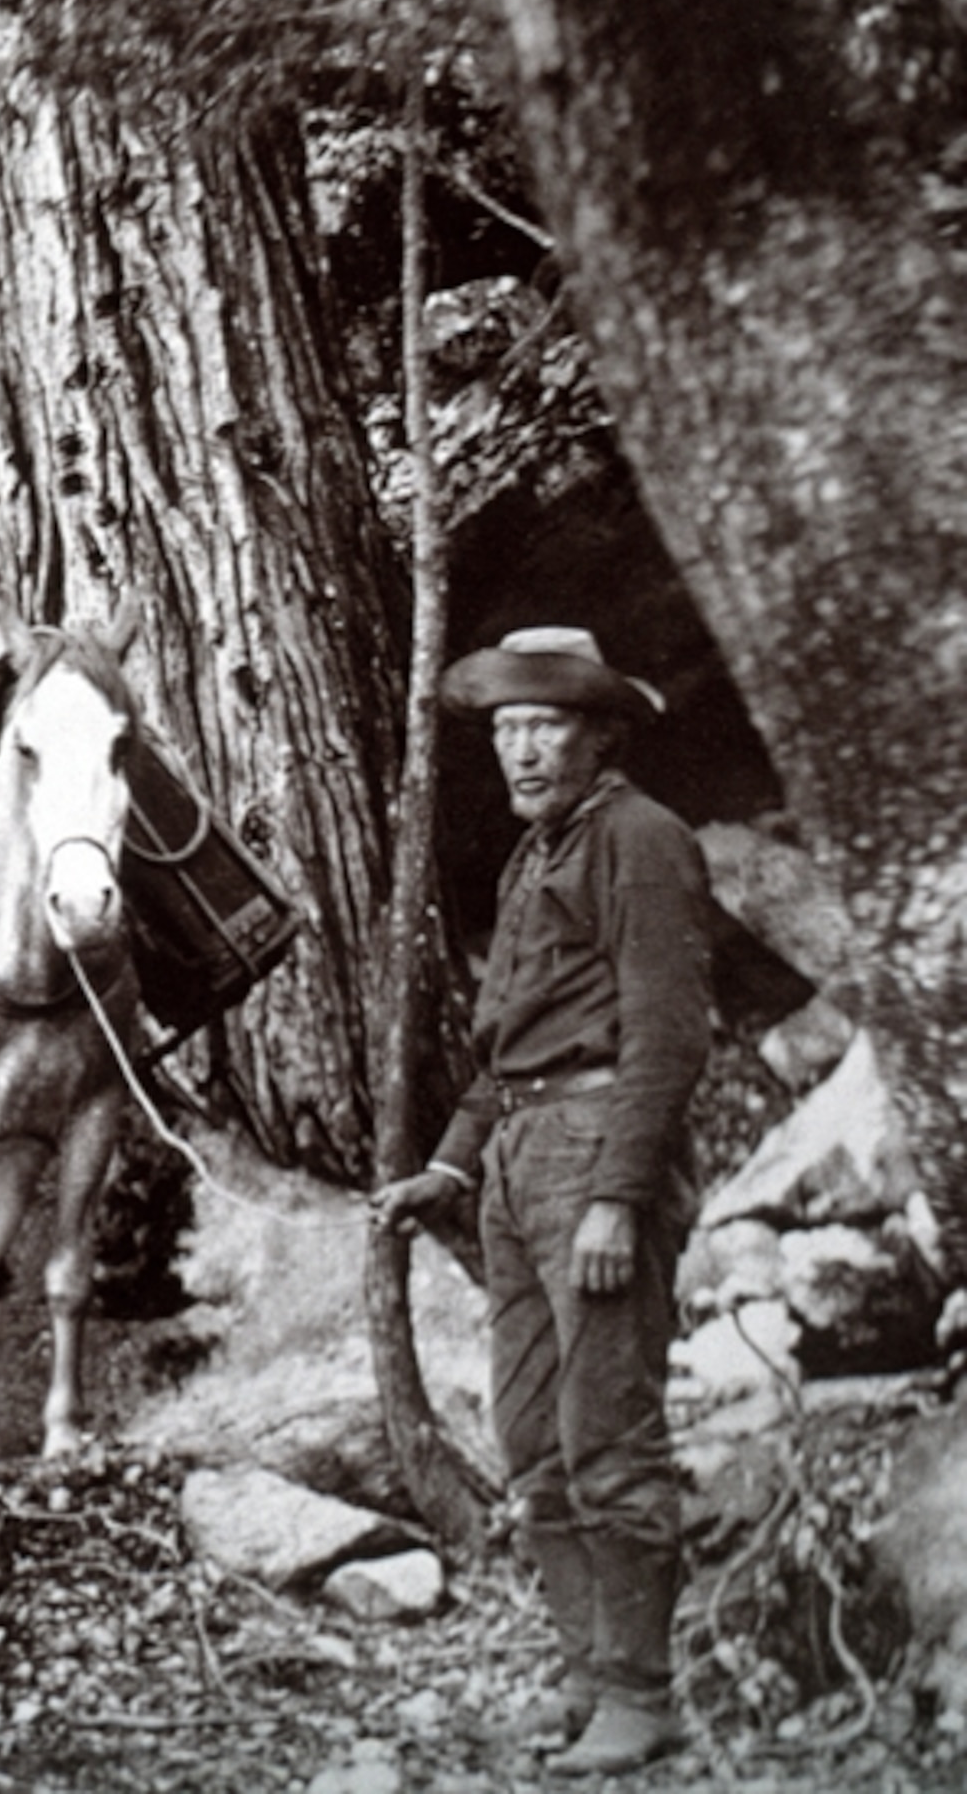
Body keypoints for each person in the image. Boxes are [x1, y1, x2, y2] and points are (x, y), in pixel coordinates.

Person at [370, 626, 714, 1776]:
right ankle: (584, 1678)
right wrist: (452, 1165)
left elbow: (667, 1037)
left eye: (544, 724)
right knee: (532, 1441)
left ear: (599, 732)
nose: (519, 747)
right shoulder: (536, 858)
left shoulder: (641, 841)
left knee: (607, 1433)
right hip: (519, 1162)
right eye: (507, 726)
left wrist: (619, 1197)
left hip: (597, 1151)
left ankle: (640, 1693)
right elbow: (504, 1054)